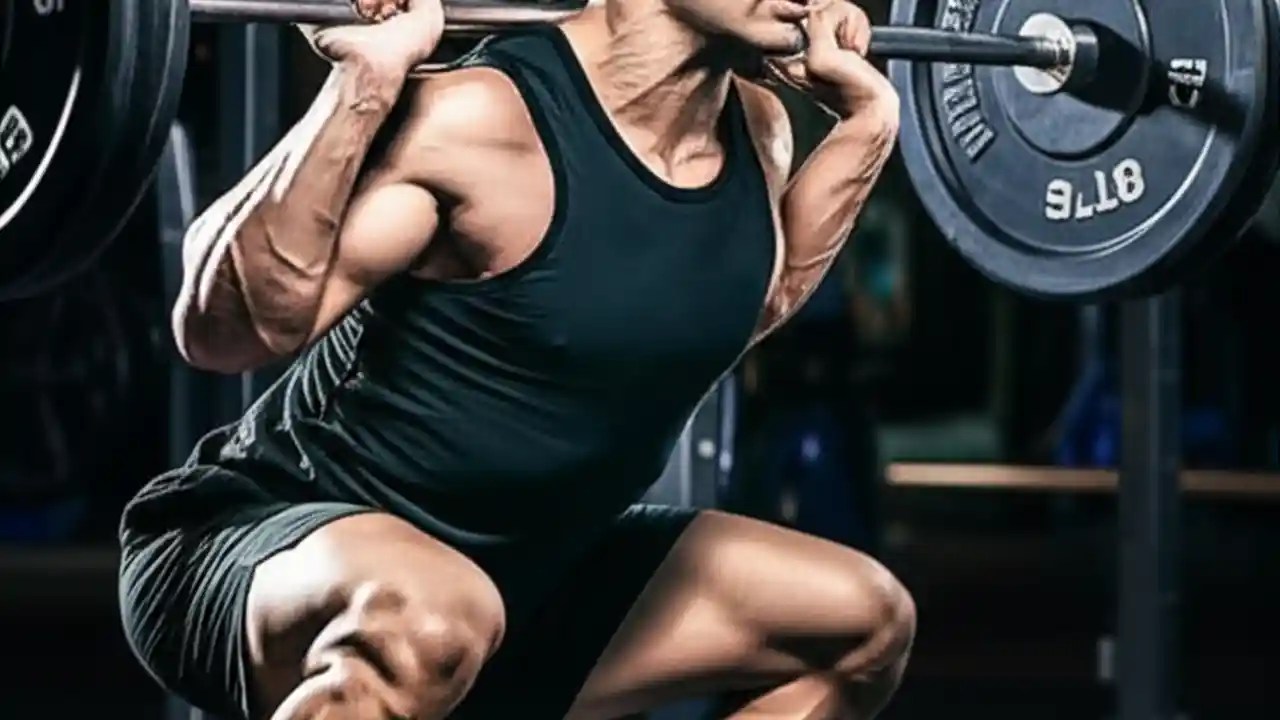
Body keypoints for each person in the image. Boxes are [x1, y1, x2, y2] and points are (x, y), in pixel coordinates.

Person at [118, 0, 915, 717]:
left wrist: (870, 123)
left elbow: (735, 307)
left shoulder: (760, 130)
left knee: (858, 622)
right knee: (433, 617)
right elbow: (225, 334)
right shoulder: (481, 121)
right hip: (263, 551)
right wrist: (365, 83)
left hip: (528, 587)